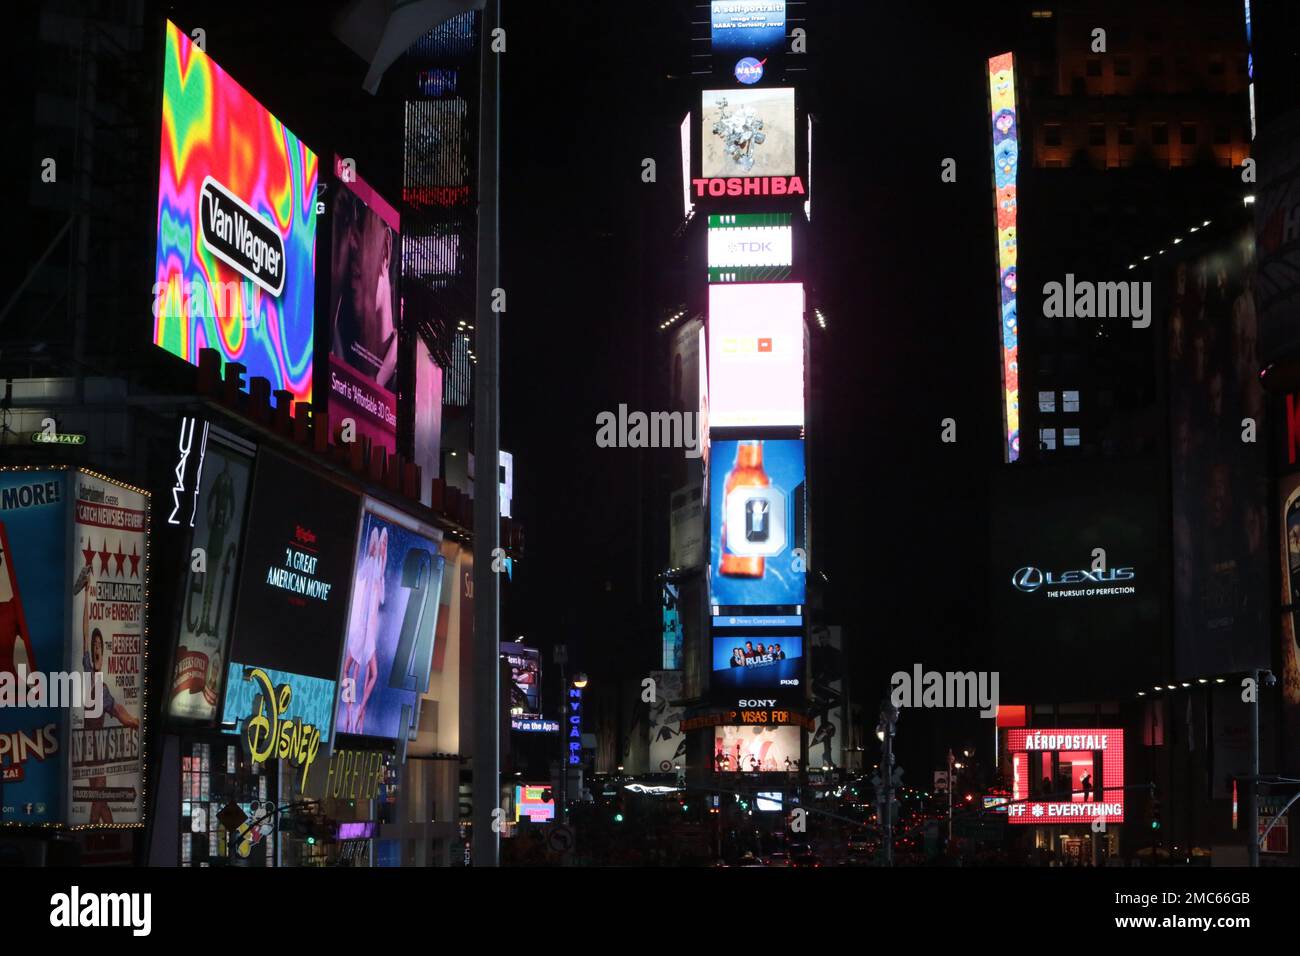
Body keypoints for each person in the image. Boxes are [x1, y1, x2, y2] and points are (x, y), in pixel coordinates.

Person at [77, 565, 141, 825]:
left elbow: (124, 716)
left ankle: (104, 831)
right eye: (93, 646)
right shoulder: (89, 670)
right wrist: (87, 596)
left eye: (98, 646)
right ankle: (105, 831)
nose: (95, 650)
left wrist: (138, 724)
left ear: (103, 652)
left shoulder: (103, 689)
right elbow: (85, 628)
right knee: (98, 799)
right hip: (90, 749)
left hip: (98, 753)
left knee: (98, 800)